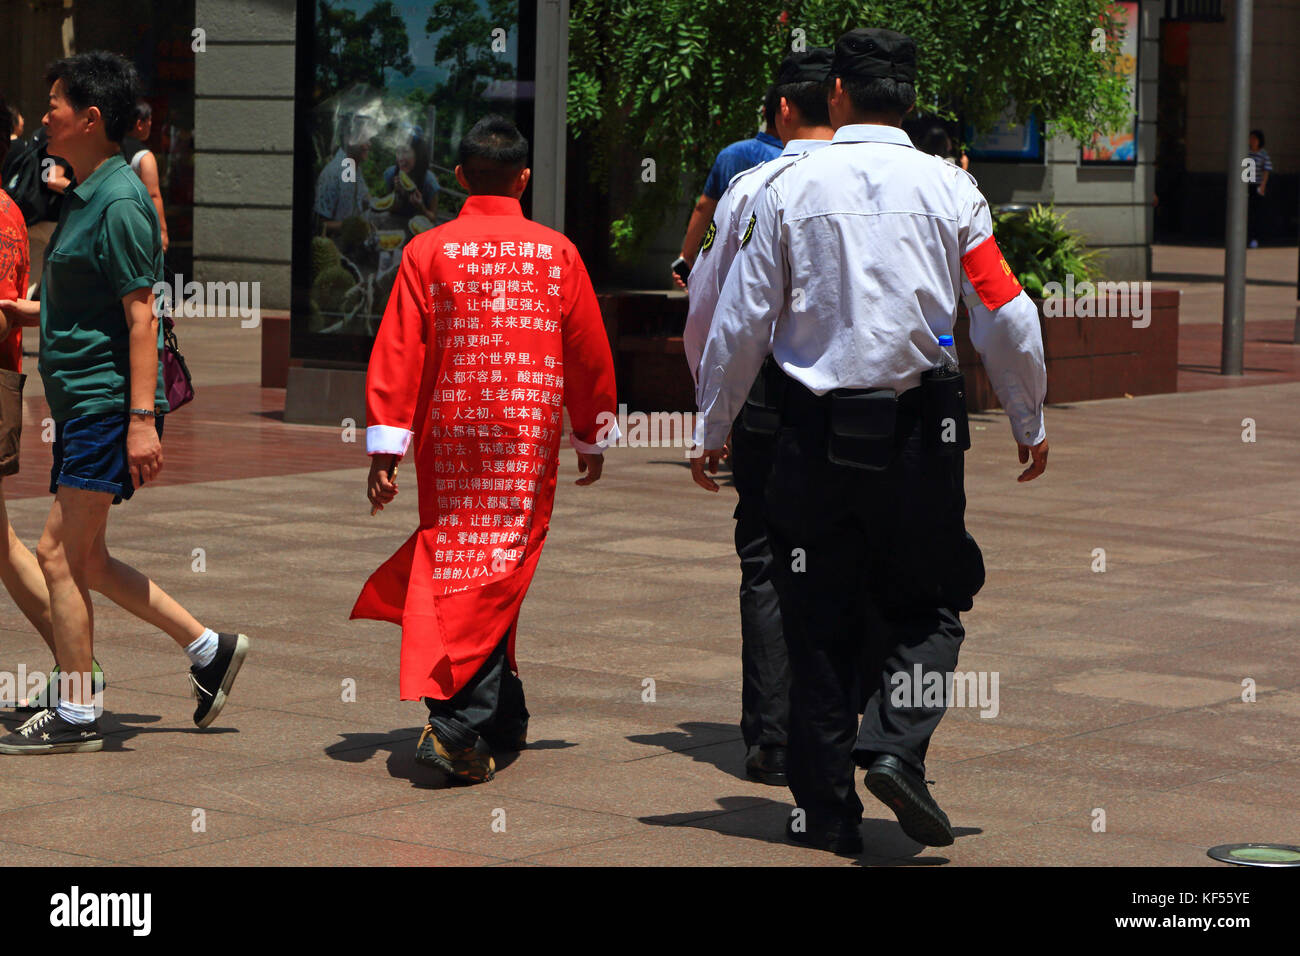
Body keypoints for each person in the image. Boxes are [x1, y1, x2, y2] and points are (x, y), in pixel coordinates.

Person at [691, 29, 1048, 855]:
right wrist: (1029, 417)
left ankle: (827, 813)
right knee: (932, 602)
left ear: (839, 90)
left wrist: (712, 425)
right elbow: (1008, 310)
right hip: (922, 442)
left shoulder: (773, 185)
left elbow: (741, 320)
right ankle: (894, 739)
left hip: (806, 442)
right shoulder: (950, 192)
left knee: (815, 615)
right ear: (911, 99)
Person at [351, 115, 619, 784]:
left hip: (452, 433)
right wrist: (591, 432)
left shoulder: (428, 250)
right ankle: (456, 722)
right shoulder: (556, 252)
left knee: (464, 555)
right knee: (499, 561)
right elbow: (587, 351)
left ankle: (500, 713)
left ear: (461, 177)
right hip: (525, 435)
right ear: (524, 178)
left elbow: (400, 350)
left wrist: (387, 447)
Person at [0, 51, 249, 755]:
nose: (43, 114)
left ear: (90, 118)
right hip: (85, 403)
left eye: (54, 104)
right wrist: (19, 313)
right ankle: (208, 648)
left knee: (56, 555)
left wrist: (142, 423)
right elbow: (78, 303)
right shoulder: (86, 193)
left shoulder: (117, 201)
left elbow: (142, 316)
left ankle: (78, 711)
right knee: (91, 561)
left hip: (109, 405)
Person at [682, 48, 836, 787]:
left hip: (775, 405)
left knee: (769, 564)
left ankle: (774, 741)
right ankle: (849, 732)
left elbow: (718, 314)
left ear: (783, 109)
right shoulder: (922, 183)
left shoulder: (752, 186)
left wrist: (712, 422)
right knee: (859, 559)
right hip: (886, 412)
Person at [672, 90, 783, 288]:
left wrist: (687, 255)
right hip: (769, 272)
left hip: (724, 271)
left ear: (764, 113)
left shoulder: (729, 154)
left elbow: (703, 208)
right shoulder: (791, 161)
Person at [121, 100, 169, 255]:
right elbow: (153, 195)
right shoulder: (144, 156)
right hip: (136, 228)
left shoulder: (108, 150)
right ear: (139, 123)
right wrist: (162, 231)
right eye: (149, 121)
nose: (150, 125)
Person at [382, 126, 439, 222]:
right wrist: (397, 194)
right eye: (398, 151)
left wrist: (421, 208)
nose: (400, 158)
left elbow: (433, 218)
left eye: (405, 151)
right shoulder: (390, 175)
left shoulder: (430, 182)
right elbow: (390, 210)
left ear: (418, 154)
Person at [1247, 128, 1271, 248]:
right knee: (1247, 212)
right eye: (1250, 138)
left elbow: (1267, 170)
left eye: (1254, 139)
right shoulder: (1246, 152)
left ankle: (1255, 237)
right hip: (1247, 184)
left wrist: (1262, 185)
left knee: (1256, 213)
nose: (1252, 141)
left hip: (1257, 185)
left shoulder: (1263, 154)